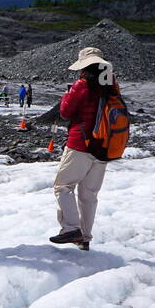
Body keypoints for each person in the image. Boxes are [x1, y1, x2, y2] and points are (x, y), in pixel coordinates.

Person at [51, 47, 119, 251]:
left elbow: (65, 112)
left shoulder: (81, 85)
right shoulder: (112, 85)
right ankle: (85, 237)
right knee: (89, 194)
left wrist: (67, 94)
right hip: (104, 146)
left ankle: (71, 228)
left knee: (63, 186)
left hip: (80, 144)